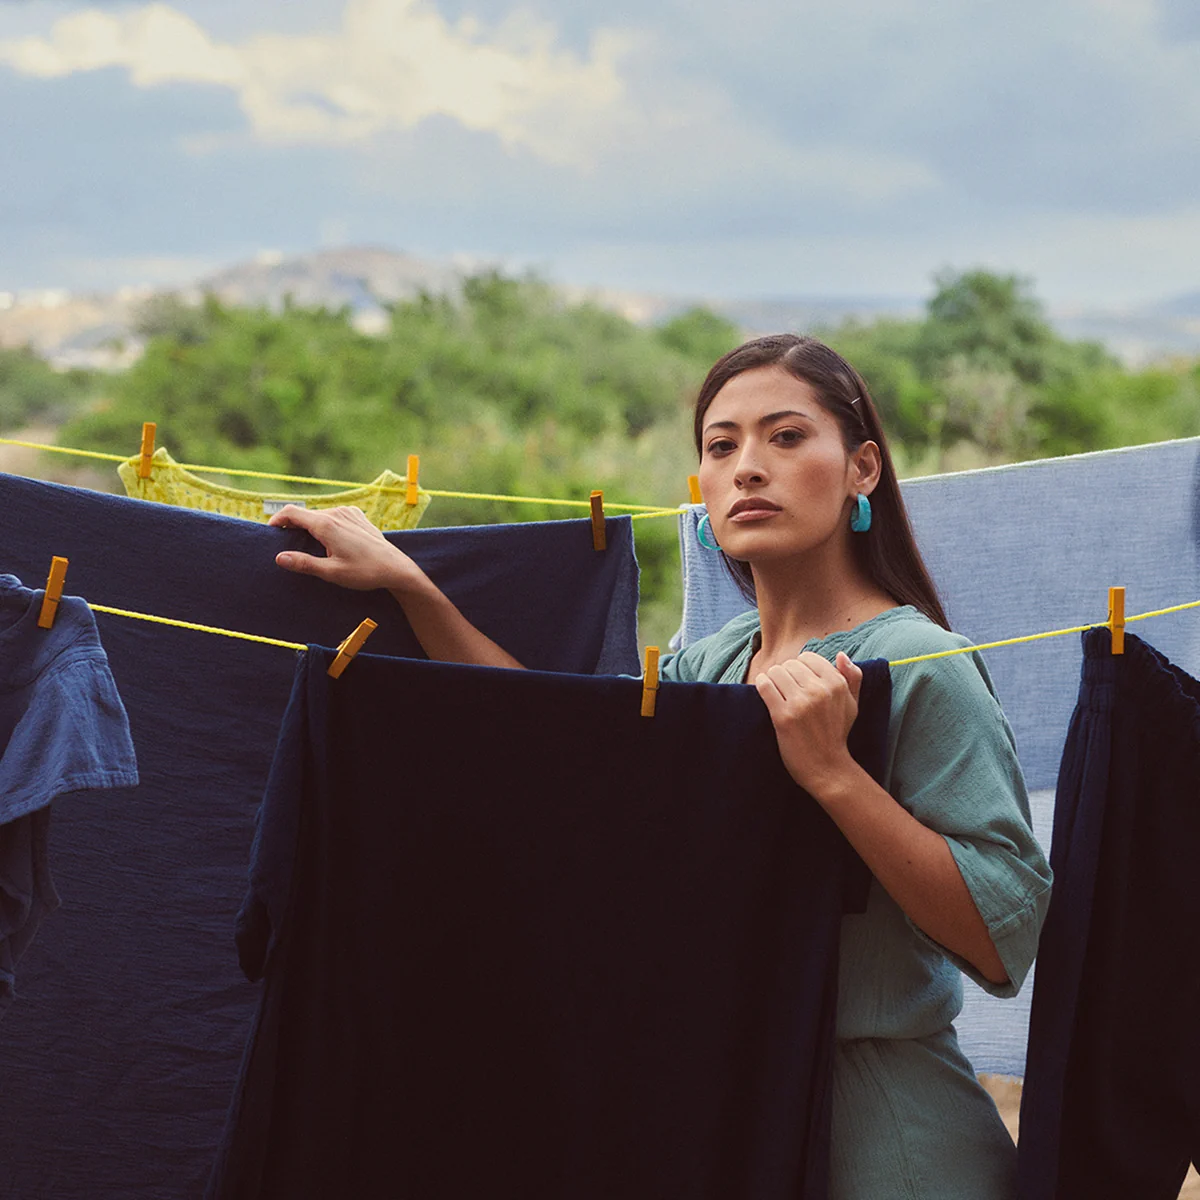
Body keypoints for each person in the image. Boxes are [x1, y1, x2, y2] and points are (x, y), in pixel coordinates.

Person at [268, 333, 1052, 1200]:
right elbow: (563, 758)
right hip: (717, 1114)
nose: (749, 467)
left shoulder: (917, 662)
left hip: (876, 1137)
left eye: (786, 437)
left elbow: (1002, 936)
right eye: (723, 447)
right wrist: (414, 589)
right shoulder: (708, 666)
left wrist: (835, 774)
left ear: (863, 468)